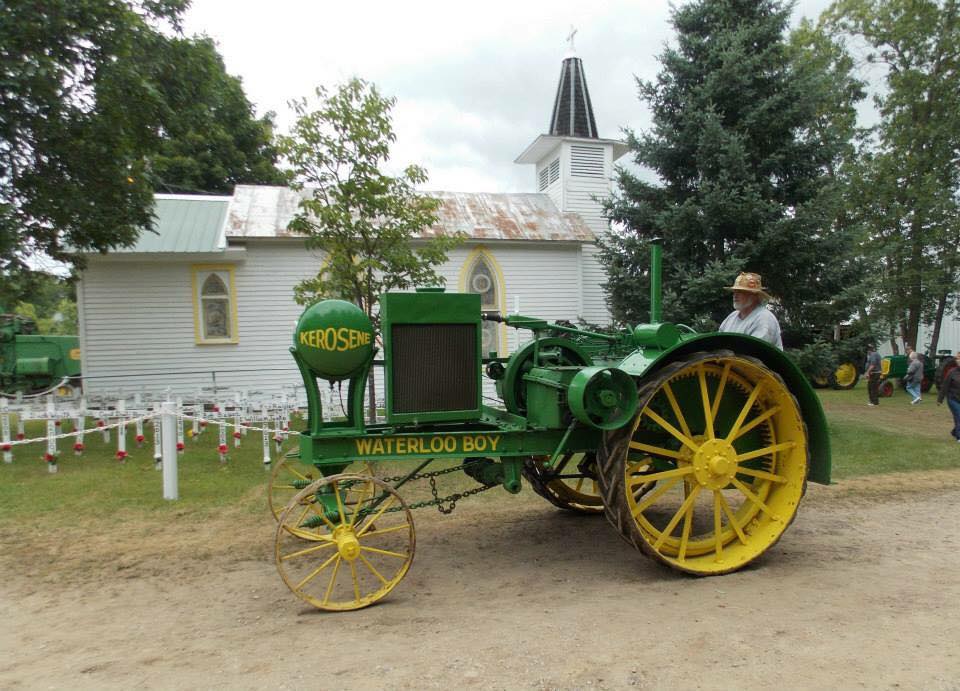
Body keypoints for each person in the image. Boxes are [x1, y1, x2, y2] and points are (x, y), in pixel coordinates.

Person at [719, 272, 783, 349]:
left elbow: (755, 350)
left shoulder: (764, 318)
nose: (735, 295)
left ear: (754, 296)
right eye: (735, 292)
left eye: (741, 292)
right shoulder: (731, 317)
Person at [937, 354, 960, 441]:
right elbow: (944, 387)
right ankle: (959, 437)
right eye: (957, 359)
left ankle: (955, 432)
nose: (958, 360)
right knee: (959, 416)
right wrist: (940, 399)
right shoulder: (952, 372)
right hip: (953, 399)